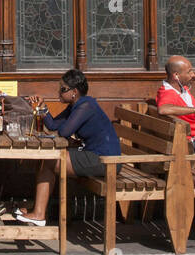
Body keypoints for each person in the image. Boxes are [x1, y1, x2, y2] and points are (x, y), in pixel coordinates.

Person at [15, 69, 121, 227]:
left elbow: (64, 131)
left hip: (104, 160)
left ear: (74, 92)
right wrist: (42, 106)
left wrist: (53, 121)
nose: (59, 93)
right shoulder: (76, 105)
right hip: (92, 155)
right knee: (46, 161)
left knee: (50, 162)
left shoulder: (86, 106)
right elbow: (52, 125)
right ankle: (37, 209)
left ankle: (38, 214)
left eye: (63, 89)